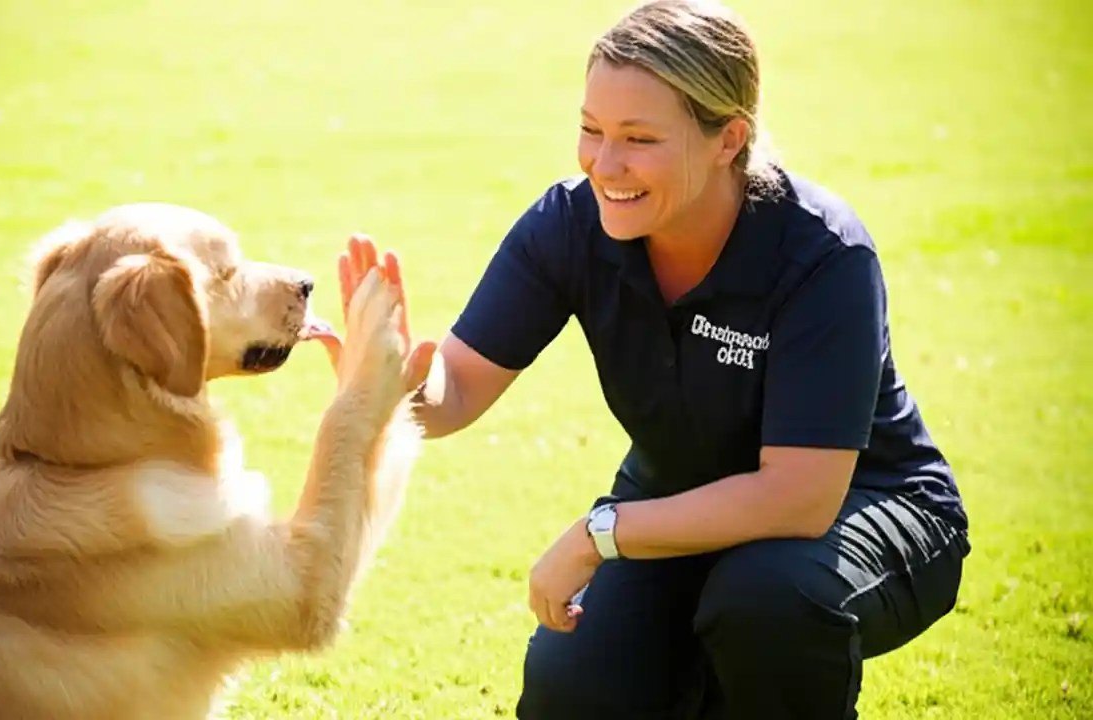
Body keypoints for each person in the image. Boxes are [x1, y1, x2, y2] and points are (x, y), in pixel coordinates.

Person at [336, 1, 970, 717]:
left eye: (638, 138)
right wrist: (386, 383)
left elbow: (800, 495)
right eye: (590, 130)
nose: (605, 165)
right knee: (574, 686)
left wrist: (598, 535)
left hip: (866, 506)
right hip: (677, 506)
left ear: (729, 138)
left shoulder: (822, 254)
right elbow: (451, 395)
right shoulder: (568, 227)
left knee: (763, 602)